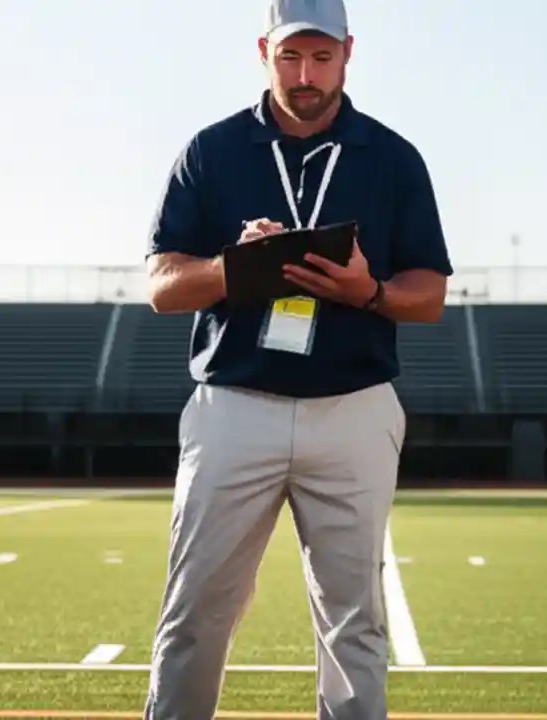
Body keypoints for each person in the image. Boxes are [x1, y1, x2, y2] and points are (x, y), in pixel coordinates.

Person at [141, 0, 452, 717]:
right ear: (263, 51)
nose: (305, 75)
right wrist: (235, 267)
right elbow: (161, 287)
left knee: (355, 619)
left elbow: (428, 293)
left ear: (348, 52)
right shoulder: (211, 150)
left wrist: (366, 289)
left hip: (352, 406)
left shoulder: (392, 156)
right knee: (195, 610)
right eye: (290, 56)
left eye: (319, 57)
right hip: (235, 407)